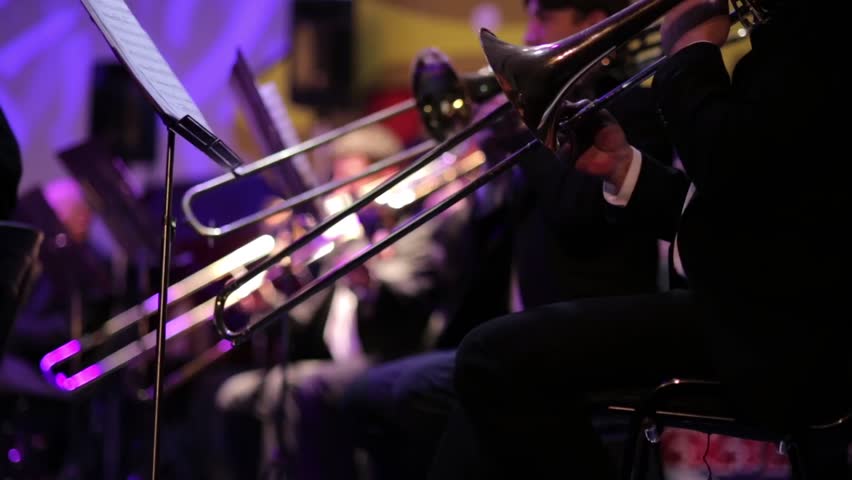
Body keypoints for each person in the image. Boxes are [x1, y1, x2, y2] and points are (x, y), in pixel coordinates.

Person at [437, 1, 850, 479]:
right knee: (484, 370)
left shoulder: (819, 38)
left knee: (490, 359)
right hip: (758, 309)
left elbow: (729, 170)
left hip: (788, 330)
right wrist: (623, 168)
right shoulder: (793, 42)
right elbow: (751, 214)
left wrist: (690, 53)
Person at [339, 0, 676, 478]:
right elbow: (477, 253)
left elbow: (578, 213)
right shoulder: (525, 137)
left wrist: (522, 135)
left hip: (588, 340)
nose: (530, 31)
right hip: (510, 334)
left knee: (397, 395)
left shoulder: (632, 109)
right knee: (373, 398)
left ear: (595, 22)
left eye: (545, 15)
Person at [213, 123, 452, 480]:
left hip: (391, 354)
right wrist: (269, 302)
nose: (342, 194)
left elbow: (405, 300)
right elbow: (308, 319)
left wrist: (353, 249)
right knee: (233, 393)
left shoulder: (414, 224)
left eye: (350, 182)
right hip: (333, 361)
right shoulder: (344, 236)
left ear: (385, 174)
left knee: (294, 388)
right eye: (338, 183)